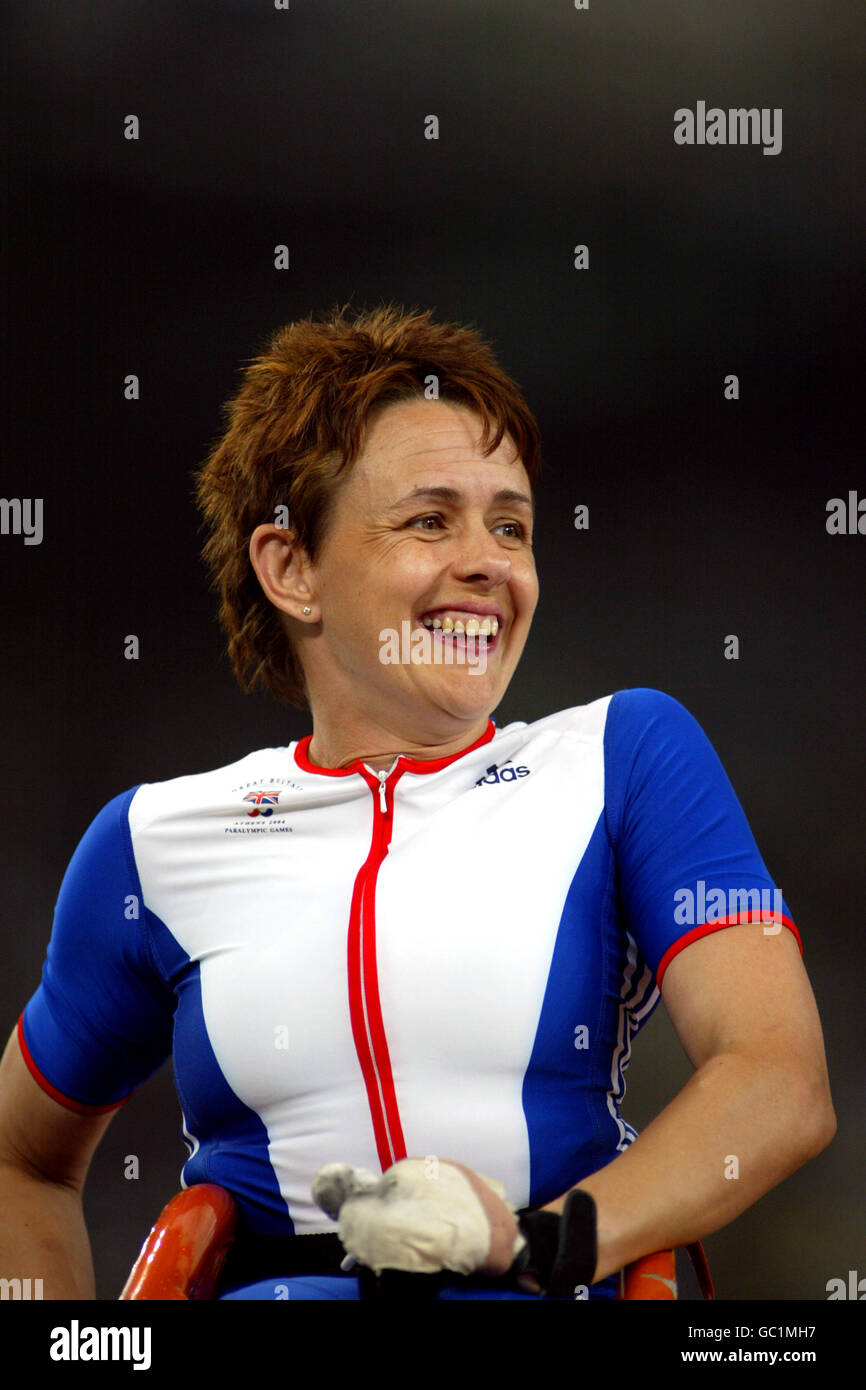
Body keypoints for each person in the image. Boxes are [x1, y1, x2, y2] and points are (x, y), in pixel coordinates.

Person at [0, 304, 836, 1301]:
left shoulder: (624, 757)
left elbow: (778, 1081)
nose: (488, 561)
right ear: (291, 568)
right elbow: (23, 1161)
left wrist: (539, 1242)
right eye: (429, 519)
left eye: (510, 524)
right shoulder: (149, 843)